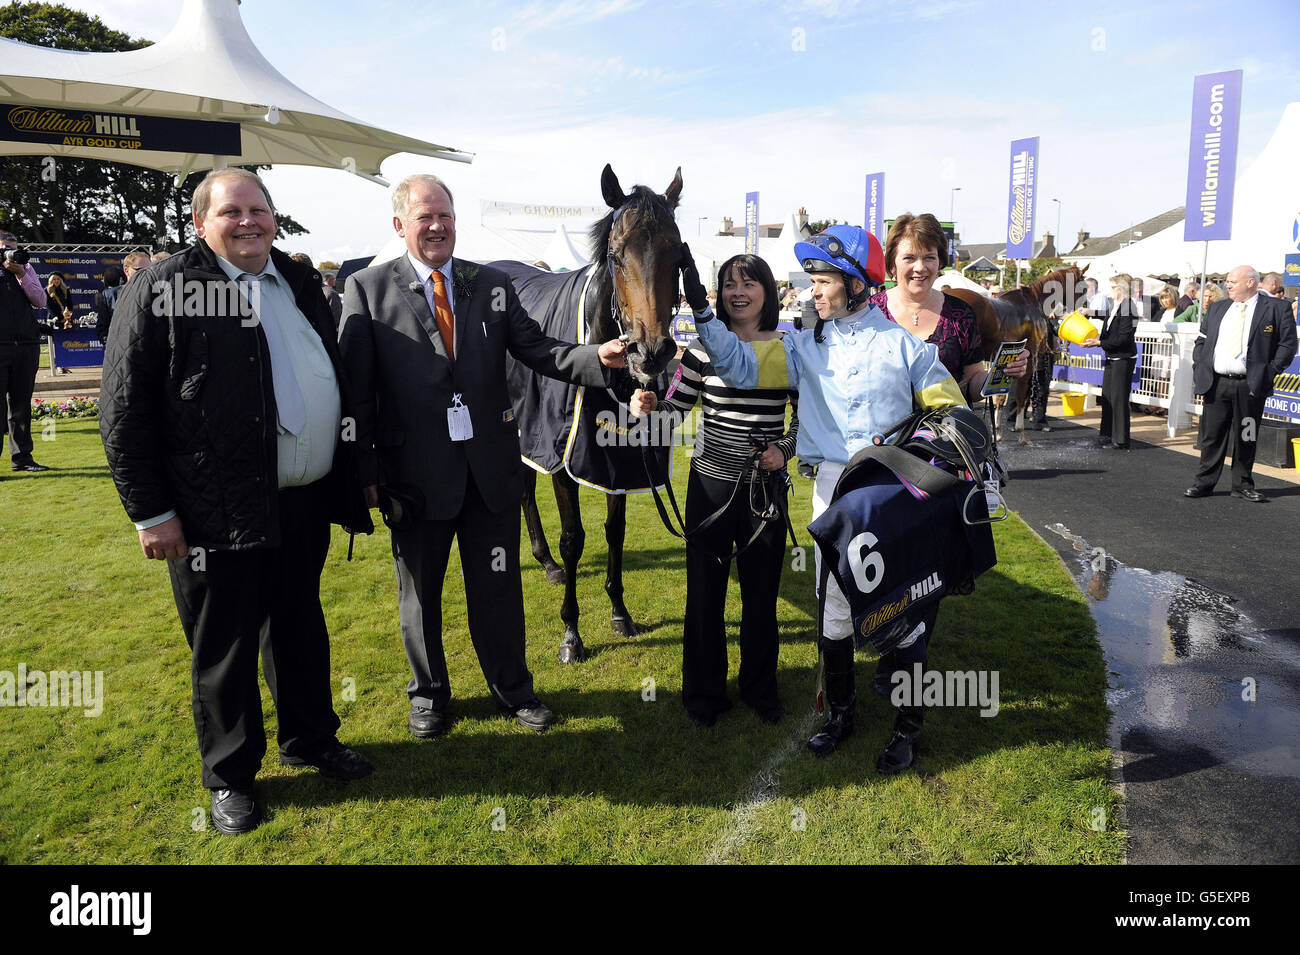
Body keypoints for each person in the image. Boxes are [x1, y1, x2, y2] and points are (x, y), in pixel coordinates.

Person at [635, 225, 972, 773]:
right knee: (834, 608)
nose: (813, 292)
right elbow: (738, 365)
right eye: (812, 282)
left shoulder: (906, 347)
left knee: (904, 608)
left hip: (893, 489)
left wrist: (931, 448)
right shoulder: (802, 348)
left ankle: (907, 729)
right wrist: (701, 306)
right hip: (830, 490)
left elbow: (950, 415)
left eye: (823, 282)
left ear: (858, 285)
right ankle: (841, 715)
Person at [99, 169, 376, 836]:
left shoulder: (298, 279)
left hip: (300, 500)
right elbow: (123, 409)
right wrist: (150, 510)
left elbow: (328, 373)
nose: (249, 220)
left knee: (299, 626)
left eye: (260, 208)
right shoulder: (164, 287)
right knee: (222, 644)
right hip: (209, 508)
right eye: (232, 211)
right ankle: (231, 775)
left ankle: (310, 737)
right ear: (200, 224)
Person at [338, 173, 629, 739]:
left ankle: (513, 688)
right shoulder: (368, 290)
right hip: (414, 479)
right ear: (400, 225)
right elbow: (357, 392)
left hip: (491, 473)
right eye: (425, 217)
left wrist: (599, 357)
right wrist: (366, 470)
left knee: (498, 588)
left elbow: (538, 349)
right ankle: (428, 696)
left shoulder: (490, 282)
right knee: (420, 594)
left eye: (445, 215)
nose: (438, 226)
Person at [655, 254, 798, 727]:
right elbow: (674, 410)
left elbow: (807, 423)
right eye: (729, 284)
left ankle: (760, 690)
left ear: (767, 291)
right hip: (711, 488)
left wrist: (782, 449)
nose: (738, 292)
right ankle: (703, 695)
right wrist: (646, 403)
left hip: (764, 493)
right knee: (704, 595)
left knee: (761, 596)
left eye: (749, 283)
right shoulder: (700, 349)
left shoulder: (790, 348)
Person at [1184, 265, 1297, 502]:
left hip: (1251, 386)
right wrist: (1200, 365)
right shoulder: (1218, 308)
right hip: (1218, 384)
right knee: (1212, 436)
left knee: (1247, 435)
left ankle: (1243, 484)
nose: (1228, 284)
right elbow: (1202, 340)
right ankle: (1204, 482)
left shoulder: (1276, 308)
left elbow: (1287, 344)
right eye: (1227, 281)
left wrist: (1270, 371)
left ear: (1251, 282)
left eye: (1233, 281)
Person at [1, 230, 51, 473]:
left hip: (26, 345)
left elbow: (40, 300)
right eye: (5, 248)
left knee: (21, 405)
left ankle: (22, 458)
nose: (11, 253)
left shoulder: (25, 269)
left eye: (13, 248)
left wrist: (21, 274)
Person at [1082, 275, 1137, 449]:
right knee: (1107, 397)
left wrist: (1099, 343)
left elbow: (1124, 338)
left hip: (1123, 358)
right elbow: (1108, 316)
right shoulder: (1116, 305)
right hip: (1113, 357)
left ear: (1120, 288)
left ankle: (1120, 439)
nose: (1110, 290)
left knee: (1119, 398)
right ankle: (1106, 434)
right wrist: (1089, 312)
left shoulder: (1130, 307)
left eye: (1112, 287)